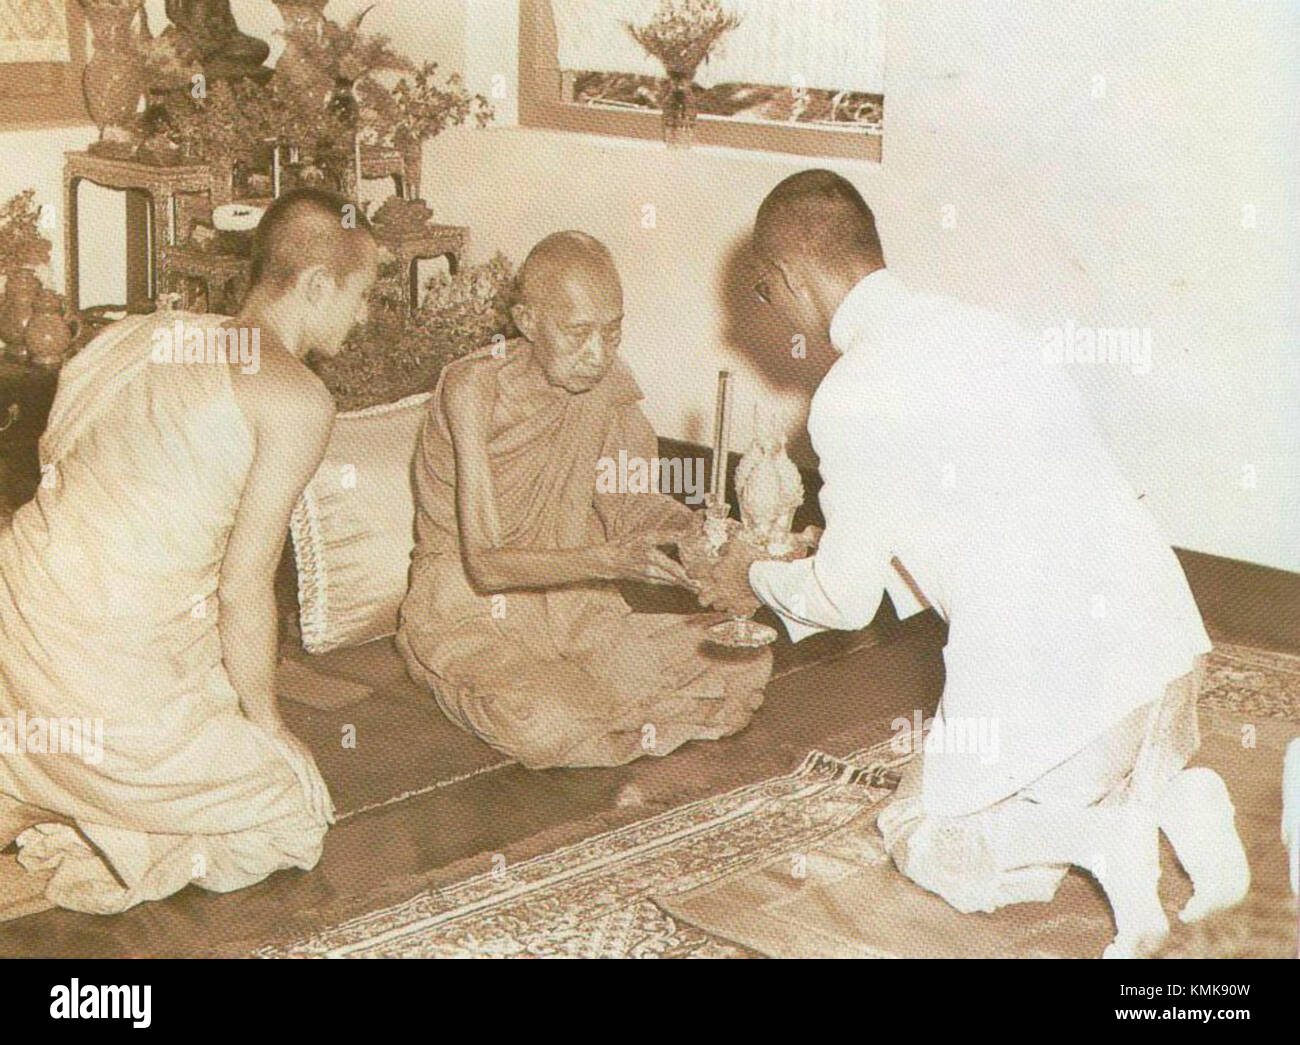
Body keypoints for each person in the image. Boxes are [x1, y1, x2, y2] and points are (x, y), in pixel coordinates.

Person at [698, 169, 1249, 957]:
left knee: (922, 827)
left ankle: (1099, 839)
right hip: (1162, 647)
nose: (771, 309)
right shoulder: (984, 327)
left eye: (763, 293)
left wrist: (749, 577)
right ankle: (1175, 802)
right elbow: (959, 517)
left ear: (783, 278)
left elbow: (847, 602)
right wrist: (818, 557)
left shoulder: (852, 392)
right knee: (1042, 776)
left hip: (1063, 679)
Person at [0, 188, 377, 913]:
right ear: (318, 285)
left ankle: (40, 780)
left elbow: (54, 452)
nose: (363, 317)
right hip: (99, 650)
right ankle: (60, 805)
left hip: (21, 596)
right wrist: (269, 727)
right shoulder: (297, 399)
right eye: (362, 295)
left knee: (194, 694)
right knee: (291, 813)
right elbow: (243, 587)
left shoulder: (156, 332)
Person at [397, 231, 770, 768]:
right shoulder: (473, 389)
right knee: (543, 721)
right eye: (577, 333)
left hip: (576, 606)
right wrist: (609, 560)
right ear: (527, 322)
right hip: (471, 611)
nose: (597, 355)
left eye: (612, 331)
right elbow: (485, 565)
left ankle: (614, 711)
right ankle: (616, 710)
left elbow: (631, 503)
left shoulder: (607, 385)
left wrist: (704, 534)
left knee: (744, 660)